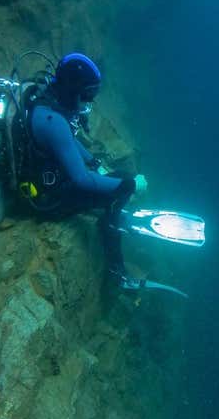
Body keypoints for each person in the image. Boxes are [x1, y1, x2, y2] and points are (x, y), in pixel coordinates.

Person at [23, 52, 147, 287]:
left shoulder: (47, 100)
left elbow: (66, 140)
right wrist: (131, 185)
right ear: (73, 91)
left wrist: (93, 162)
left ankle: (113, 213)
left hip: (39, 177)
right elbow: (80, 180)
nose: (89, 101)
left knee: (113, 179)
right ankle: (117, 272)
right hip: (45, 200)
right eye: (87, 94)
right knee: (118, 187)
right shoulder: (54, 121)